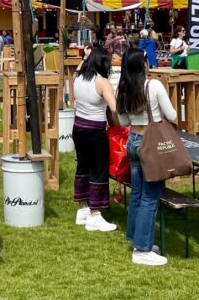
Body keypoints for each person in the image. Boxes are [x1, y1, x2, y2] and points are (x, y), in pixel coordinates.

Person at [115, 48, 176, 267]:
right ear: (143, 65)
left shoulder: (121, 89)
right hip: (151, 144)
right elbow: (172, 115)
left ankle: (136, 238)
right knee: (150, 197)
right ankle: (142, 249)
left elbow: (122, 122)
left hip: (133, 141)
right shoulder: (154, 85)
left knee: (138, 195)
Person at [72, 45, 118, 231]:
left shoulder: (78, 78)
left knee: (83, 166)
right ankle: (95, 213)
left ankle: (83, 208)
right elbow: (114, 108)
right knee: (99, 169)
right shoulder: (102, 82)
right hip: (95, 130)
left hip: (78, 127)